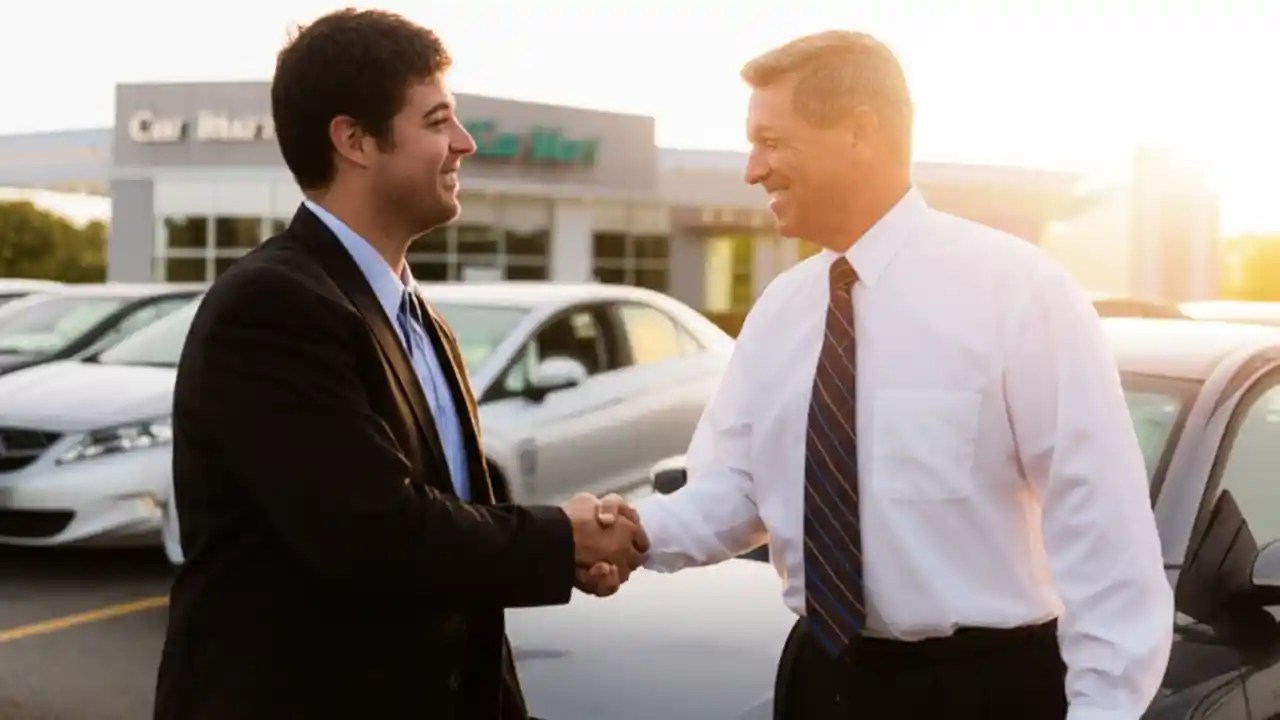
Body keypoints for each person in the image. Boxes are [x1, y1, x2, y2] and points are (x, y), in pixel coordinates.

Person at [621, 30, 1173, 718]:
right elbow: (734, 490)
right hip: (819, 683)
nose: (751, 170)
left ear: (859, 132)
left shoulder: (1018, 292)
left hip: (981, 692)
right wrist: (623, 533)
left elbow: (1102, 530)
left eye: (771, 141)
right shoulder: (782, 312)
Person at [153, 10, 645, 720]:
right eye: (438, 120)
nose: (464, 143)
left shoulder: (419, 318)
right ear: (354, 140)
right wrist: (559, 536)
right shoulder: (269, 308)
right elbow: (372, 532)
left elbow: (454, 531)